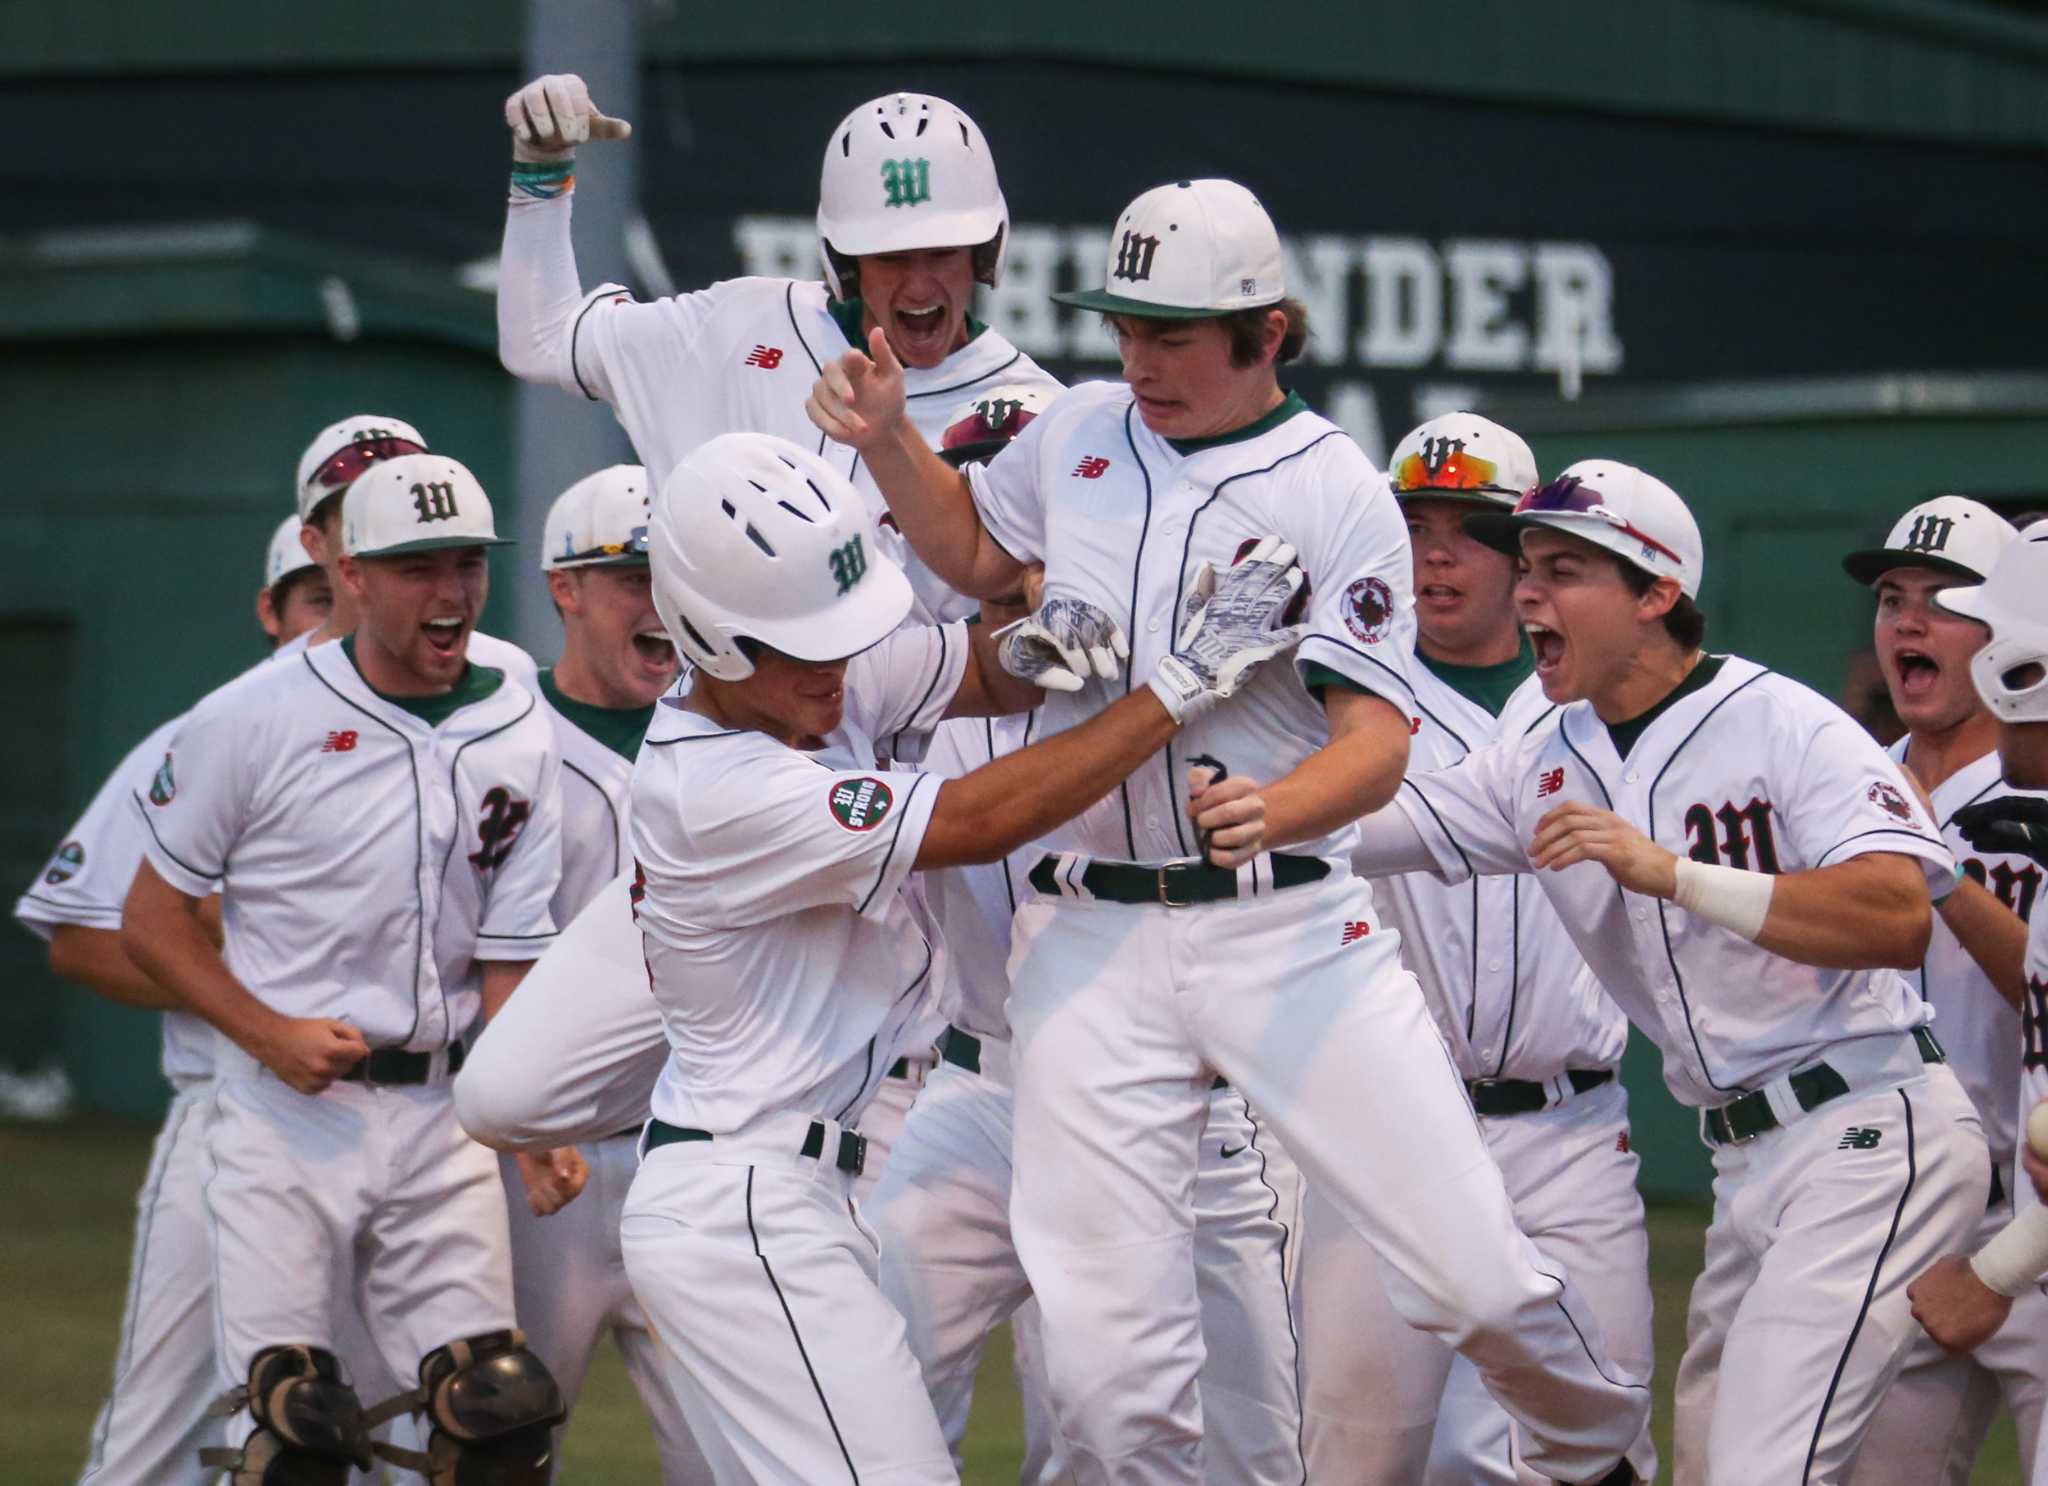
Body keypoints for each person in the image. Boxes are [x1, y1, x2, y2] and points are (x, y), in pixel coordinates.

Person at [809, 177, 1649, 1485]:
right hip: (1086, 932)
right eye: (1124, 327)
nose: (1139, 358)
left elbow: (1376, 741)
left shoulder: (1333, 487)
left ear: (1262, 333)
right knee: (1106, 1393)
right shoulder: (1081, 429)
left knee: (1473, 1278)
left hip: (1286, 924)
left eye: (1171, 333)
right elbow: (974, 553)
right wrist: (886, 445)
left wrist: (1278, 806)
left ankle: (1592, 1446)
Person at [619, 429, 1308, 1483]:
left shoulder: (798, 686)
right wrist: (1180, 683)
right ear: (712, 640)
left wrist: (1056, 632)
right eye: (804, 644)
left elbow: (985, 670)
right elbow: (977, 819)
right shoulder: (713, 787)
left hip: (790, 1190)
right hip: (742, 1204)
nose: (835, 664)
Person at [1341, 458, 1989, 1485]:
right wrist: (1223, 810)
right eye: (1526, 568)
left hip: (1867, 1124)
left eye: (1563, 571)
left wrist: (1677, 875)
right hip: (1745, 1155)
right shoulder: (1544, 750)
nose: (1528, 593)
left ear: (1655, 594)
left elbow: (1895, 913)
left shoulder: (1780, 720)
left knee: (1759, 1470)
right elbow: (1375, 828)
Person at [867, 392, 1310, 1484]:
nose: (1015, 548)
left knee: (1231, 1444)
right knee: (865, 1378)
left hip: (1174, 1099)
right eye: (988, 511)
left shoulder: (1201, 681)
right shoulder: (912, 691)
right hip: (980, 1087)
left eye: (1037, 520)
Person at [122, 454, 572, 1483]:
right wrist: (265, 1031)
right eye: (417, 567)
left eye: (466, 562)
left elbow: (510, 951)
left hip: (444, 1112)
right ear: (353, 576)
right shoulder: (252, 716)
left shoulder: (515, 718)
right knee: (297, 1428)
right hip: (289, 1113)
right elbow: (150, 920)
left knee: (497, 1422)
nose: (450, 591)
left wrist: (528, 1118)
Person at [1292, 414, 1656, 1484]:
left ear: (1526, 559)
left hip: (1574, 1128)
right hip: (1388, 1121)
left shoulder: (1600, 705)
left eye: (1470, 531)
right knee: (1359, 1454)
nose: (1436, 556)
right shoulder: (1343, 705)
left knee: (1599, 1443)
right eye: (1414, 527)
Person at [495, 73, 1061, 624]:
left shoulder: (1038, 412)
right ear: (844, 260)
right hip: (721, 688)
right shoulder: (734, 326)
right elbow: (541, 341)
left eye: (941, 253)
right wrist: (541, 173)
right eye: (890, 257)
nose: (917, 285)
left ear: (984, 251)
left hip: (926, 687)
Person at [13, 519, 335, 1485]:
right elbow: (79, 937)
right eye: (317, 601)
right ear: (271, 612)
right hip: (231, 1107)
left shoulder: (457, 740)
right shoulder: (209, 735)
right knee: (158, 1444)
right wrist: (246, 999)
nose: (339, 624)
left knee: (372, 1431)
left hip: (408, 1128)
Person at [495, 464, 710, 1483]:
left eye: (675, 578)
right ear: (564, 590)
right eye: (632, 578)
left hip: (698, 1149)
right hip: (549, 1165)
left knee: (740, 1459)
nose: (659, 602)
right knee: (498, 1443)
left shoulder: (733, 738)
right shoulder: (504, 742)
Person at [1832, 497, 2048, 1483]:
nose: (1908, 621)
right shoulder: (1845, 780)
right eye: (1891, 598)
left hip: (2028, 1203)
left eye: (1944, 599)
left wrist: (1940, 874)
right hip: (1906, 1207)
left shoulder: (2033, 778)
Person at [1899, 522, 2048, 1486]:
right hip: (1926, 1204)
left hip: (2015, 1221)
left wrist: (1996, 1273)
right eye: (1895, 600)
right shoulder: (1850, 773)